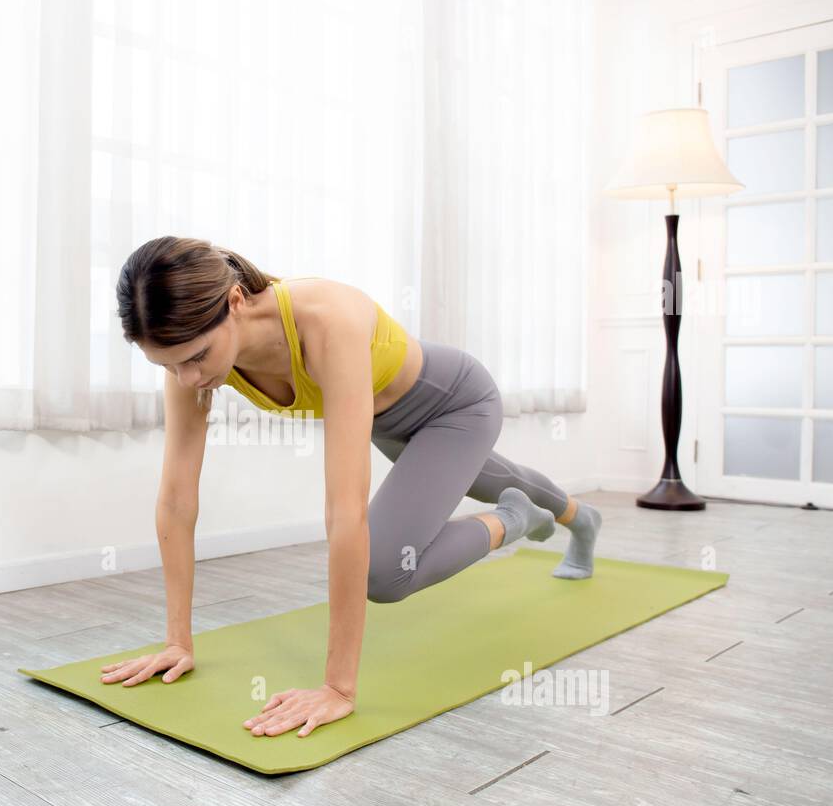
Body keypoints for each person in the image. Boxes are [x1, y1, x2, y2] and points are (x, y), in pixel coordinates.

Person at [104, 236, 602, 739]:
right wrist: (177, 641)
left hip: (456, 404)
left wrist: (337, 688)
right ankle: (583, 521)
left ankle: (516, 518)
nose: (185, 379)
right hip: (387, 420)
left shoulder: (325, 319)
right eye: (167, 366)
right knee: (499, 478)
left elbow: (344, 513)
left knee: (384, 572)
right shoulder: (191, 352)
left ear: (234, 302)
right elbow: (176, 499)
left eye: (194, 358)